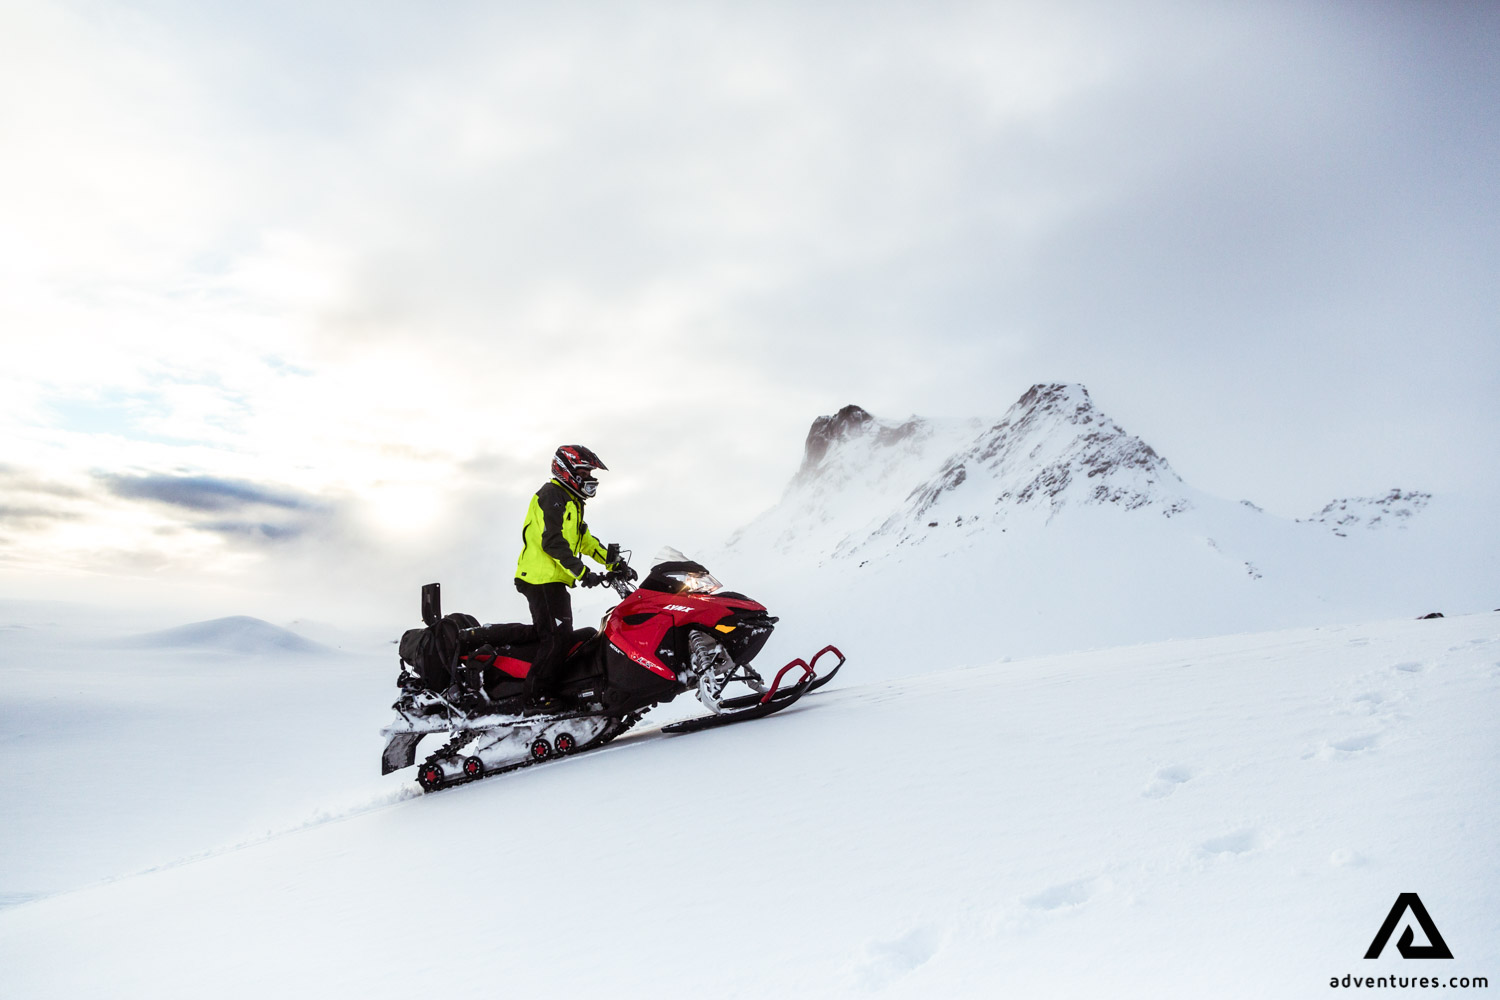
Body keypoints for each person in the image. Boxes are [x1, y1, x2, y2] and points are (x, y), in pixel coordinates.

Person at [514, 445, 628, 707]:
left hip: (554, 579)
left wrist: (615, 563)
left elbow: (585, 541)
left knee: (563, 636)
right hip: (540, 579)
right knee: (555, 639)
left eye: (589, 471)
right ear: (566, 471)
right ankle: (535, 699)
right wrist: (582, 572)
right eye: (584, 471)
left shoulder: (572, 501)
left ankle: (563, 687)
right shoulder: (551, 496)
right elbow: (552, 542)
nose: (589, 476)